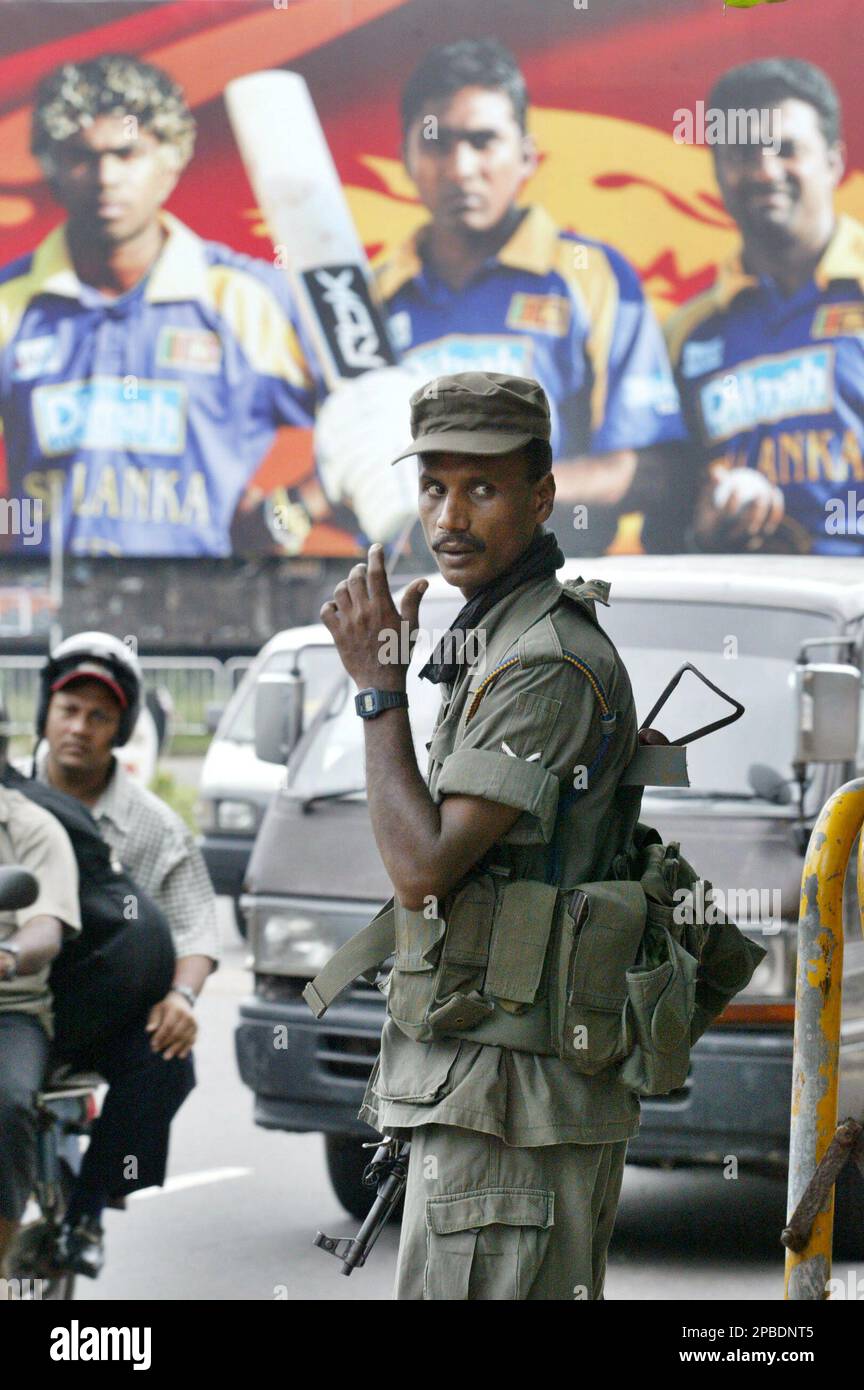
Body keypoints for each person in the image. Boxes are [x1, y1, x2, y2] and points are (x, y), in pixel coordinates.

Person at [319, 371, 647, 1300]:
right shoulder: (501, 631)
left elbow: (422, 866)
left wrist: (379, 688)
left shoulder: (543, 656)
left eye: (483, 487)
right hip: (486, 1087)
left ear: (542, 497)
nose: (449, 515)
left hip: (517, 1102)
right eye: (433, 486)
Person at [315, 39, 687, 558]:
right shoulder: (364, 302)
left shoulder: (592, 276)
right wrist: (291, 508)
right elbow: (343, 467)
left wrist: (502, 488)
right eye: (438, 143)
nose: (461, 167)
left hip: (551, 596)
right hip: (414, 602)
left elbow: (651, 472)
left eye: (483, 141)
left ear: (527, 156)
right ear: (406, 158)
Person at [0, 53, 327, 559]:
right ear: (50, 167)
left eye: (127, 154)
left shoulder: (244, 298)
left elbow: (376, 425)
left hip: (208, 627)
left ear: (171, 160)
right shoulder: (11, 304)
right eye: (82, 156)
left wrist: (287, 515)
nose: (106, 176)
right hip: (44, 627)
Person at [30, 631, 220, 1275]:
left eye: (99, 715)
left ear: (122, 728)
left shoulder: (155, 826)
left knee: (169, 1057)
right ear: (44, 714)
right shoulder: (9, 801)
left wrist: (181, 997)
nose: (79, 727)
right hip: (13, 1001)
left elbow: (197, 929)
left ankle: (86, 1213)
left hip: (95, 1012)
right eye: (68, 709)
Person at [664, 58, 864, 556]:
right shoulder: (687, 334)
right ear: (717, 172)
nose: (765, 171)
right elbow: (662, 520)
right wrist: (702, 530)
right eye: (743, 153)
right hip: (746, 610)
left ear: (835, 163)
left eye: (787, 149)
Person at [0, 709, 81, 1287]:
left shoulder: (30, 828)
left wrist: (6, 956)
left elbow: (45, 927)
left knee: (5, 1103)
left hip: (10, 1009)